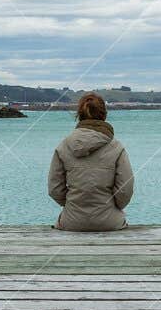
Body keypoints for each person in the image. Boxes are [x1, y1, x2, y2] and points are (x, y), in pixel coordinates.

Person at [47, 92, 134, 231]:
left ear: (79, 116)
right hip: (110, 223)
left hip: (71, 222)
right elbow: (125, 190)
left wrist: (72, 205)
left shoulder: (63, 146)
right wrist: (110, 207)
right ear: (104, 115)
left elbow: (54, 189)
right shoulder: (117, 147)